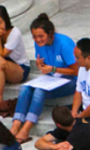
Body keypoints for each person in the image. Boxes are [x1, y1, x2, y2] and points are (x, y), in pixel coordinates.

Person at [12, 13, 79, 142]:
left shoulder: (64, 44)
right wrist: (40, 64)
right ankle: (15, 125)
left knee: (39, 91)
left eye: (41, 36)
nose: (37, 40)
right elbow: (44, 63)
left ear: (50, 33)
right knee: (26, 88)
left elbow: (77, 71)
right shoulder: (39, 43)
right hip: (52, 78)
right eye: (34, 37)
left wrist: (53, 69)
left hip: (70, 79)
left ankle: (26, 128)